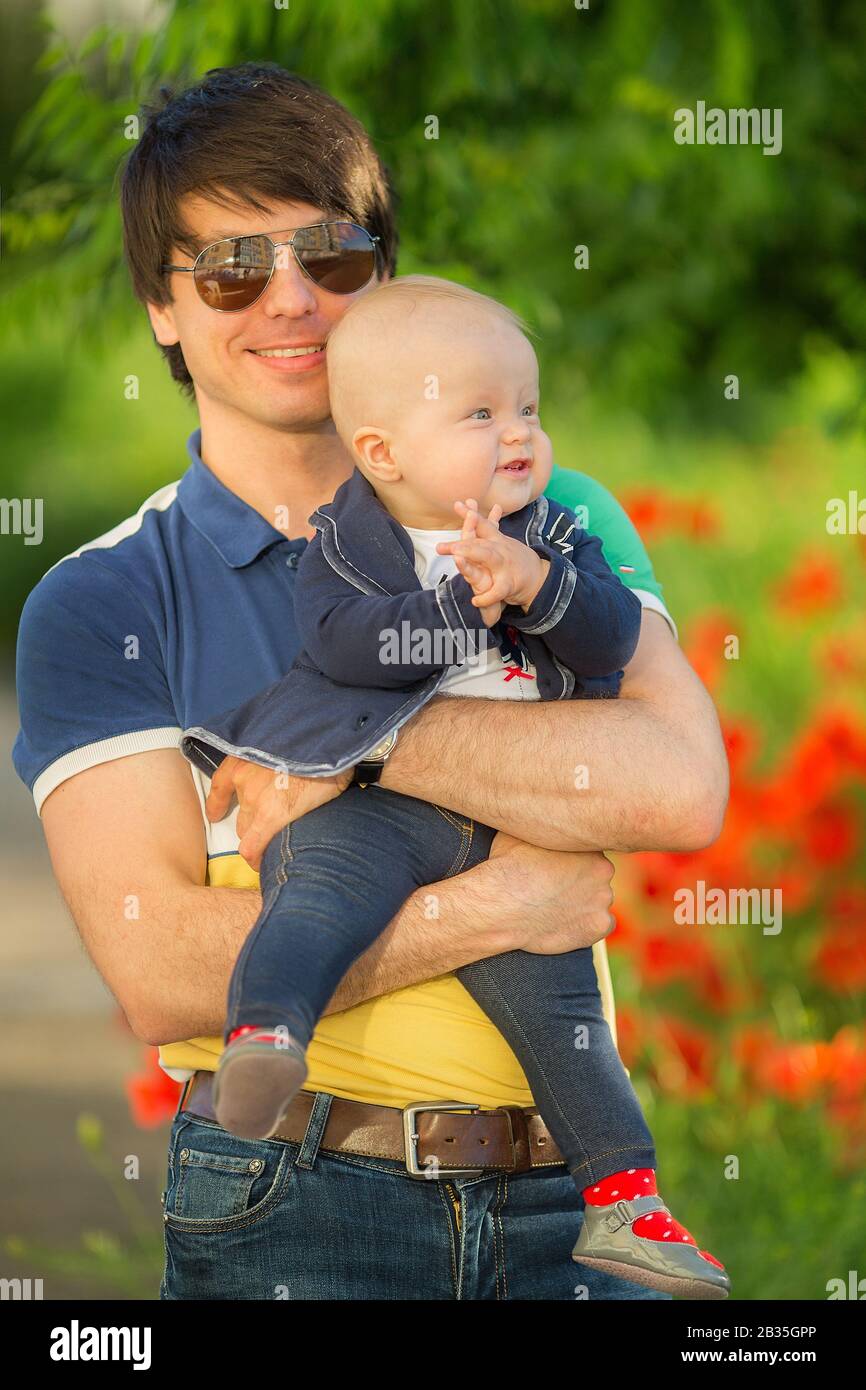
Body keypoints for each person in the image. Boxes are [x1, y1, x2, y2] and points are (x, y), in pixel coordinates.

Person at [12, 63, 729, 1301]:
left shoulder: (546, 515)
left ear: (383, 274)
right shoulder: (105, 600)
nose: (292, 298)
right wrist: (498, 907)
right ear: (161, 309)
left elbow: (673, 790)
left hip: (571, 1202)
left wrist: (343, 749)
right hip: (291, 1204)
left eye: (332, 253)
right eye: (232, 264)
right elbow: (164, 969)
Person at [181, 273, 730, 1299]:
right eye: (478, 414)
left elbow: (609, 639)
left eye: (527, 408)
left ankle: (624, 1199)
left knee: (565, 1015)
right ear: (382, 453)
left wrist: (537, 586)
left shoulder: (553, 531)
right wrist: (464, 611)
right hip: (377, 816)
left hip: (514, 829)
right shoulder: (347, 542)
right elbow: (344, 648)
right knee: (315, 900)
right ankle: (266, 1033)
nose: (517, 434)